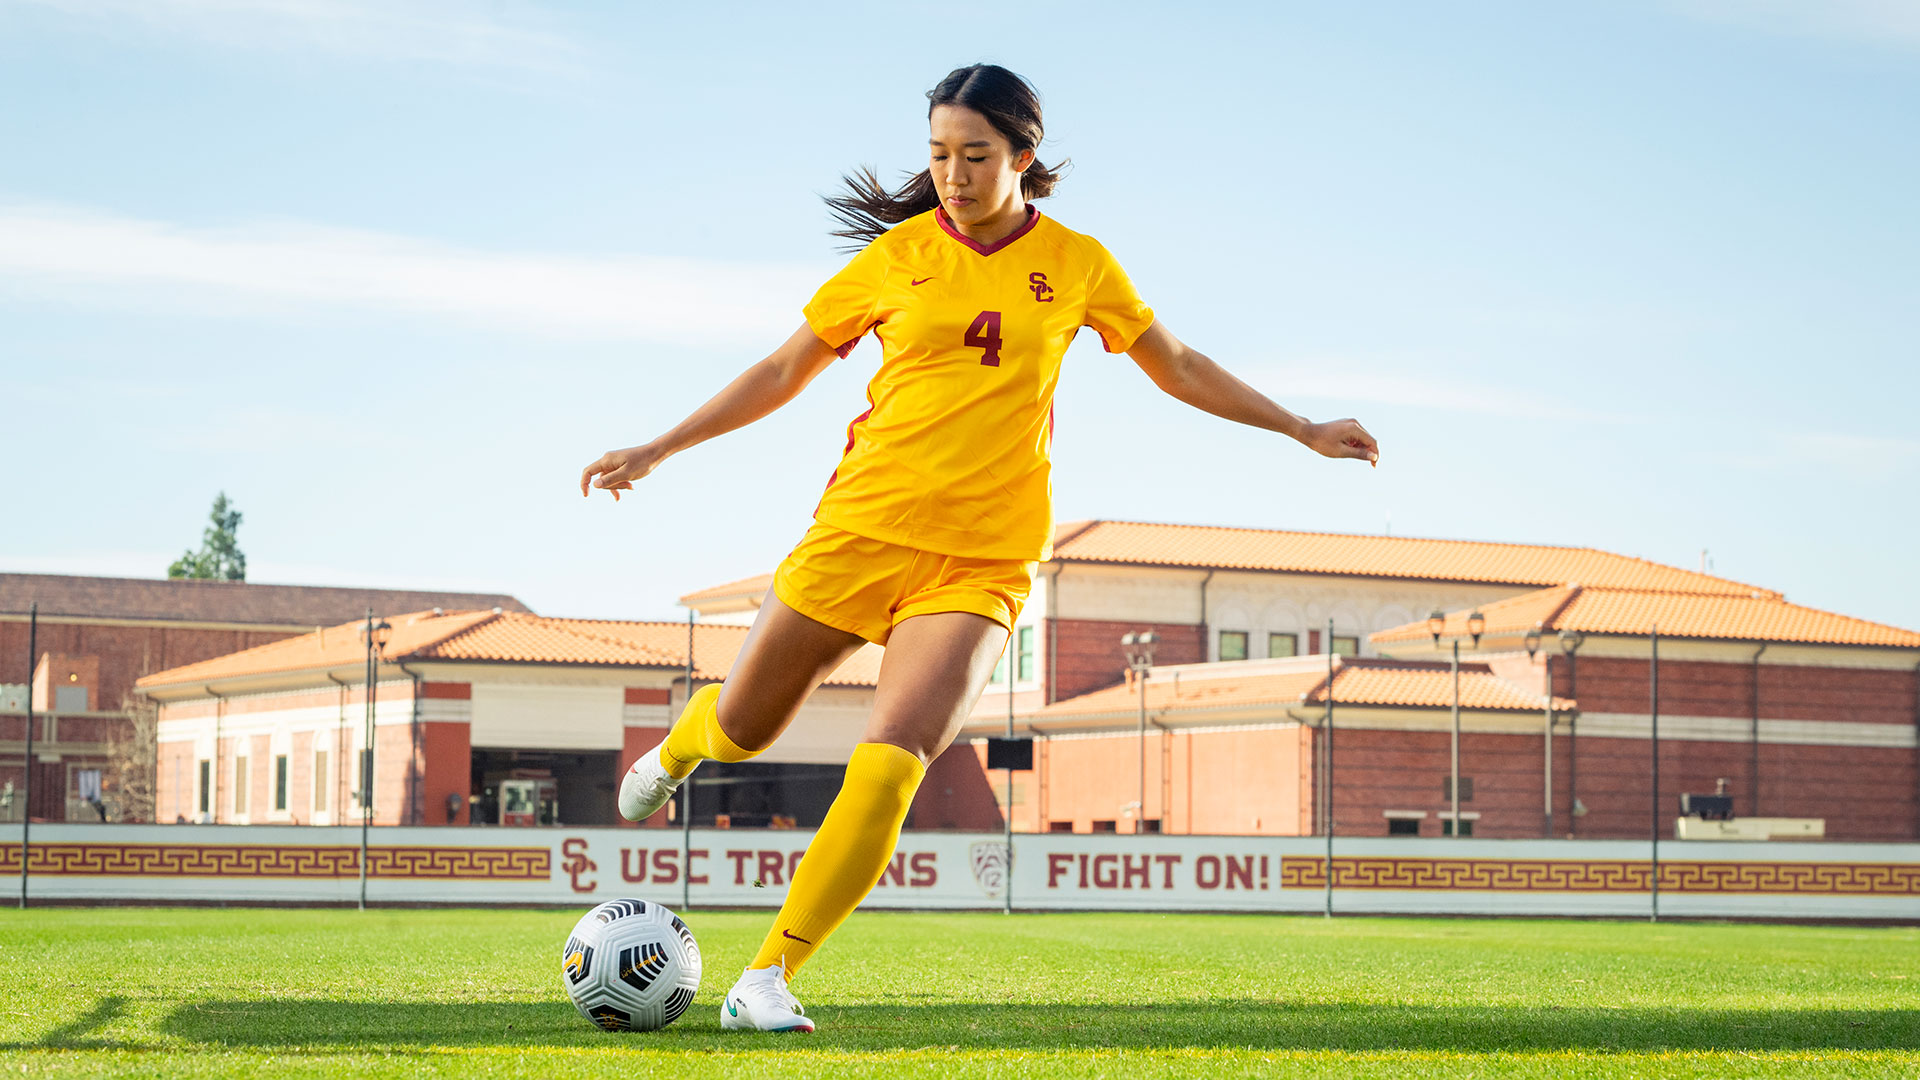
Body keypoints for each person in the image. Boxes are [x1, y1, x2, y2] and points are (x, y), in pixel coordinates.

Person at [579, 63, 1377, 1033]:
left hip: (982, 560)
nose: (953, 174)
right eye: (938, 155)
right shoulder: (900, 256)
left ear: (1023, 158)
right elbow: (784, 368)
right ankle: (678, 750)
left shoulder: (1078, 264)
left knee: (892, 759)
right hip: (858, 533)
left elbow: (1179, 364)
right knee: (746, 725)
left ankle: (768, 977)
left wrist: (1300, 427)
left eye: (976, 155)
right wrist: (659, 447)